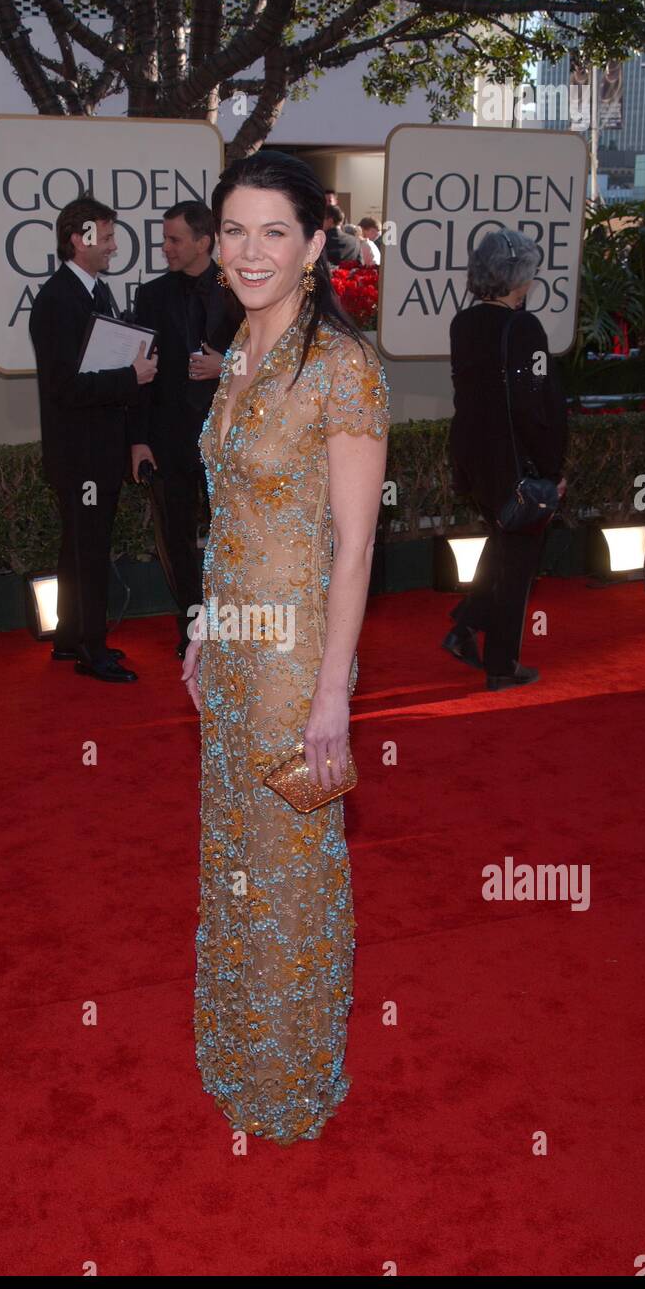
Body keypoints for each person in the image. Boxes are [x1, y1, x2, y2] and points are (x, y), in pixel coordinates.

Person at [183, 149, 390, 1143]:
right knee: (235, 860)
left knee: (293, 870)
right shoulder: (237, 350)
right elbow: (227, 514)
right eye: (234, 230)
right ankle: (235, 1045)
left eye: (274, 231)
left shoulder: (341, 368)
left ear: (314, 243)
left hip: (294, 665)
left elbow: (354, 547)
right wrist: (203, 629)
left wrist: (331, 696)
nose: (249, 250)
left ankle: (290, 1073)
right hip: (230, 655)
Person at [29, 196, 157, 683]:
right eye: (104, 238)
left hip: (94, 448)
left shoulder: (93, 293)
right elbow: (65, 387)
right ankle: (91, 649)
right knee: (89, 551)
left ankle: (69, 639)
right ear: (77, 240)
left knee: (77, 548)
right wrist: (131, 375)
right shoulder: (59, 300)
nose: (113, 246)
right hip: (79, 453)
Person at [444, 229, 568, 691]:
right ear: (518, 276)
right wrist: (552, 469)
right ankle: (502, 665)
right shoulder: (524, 328)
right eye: (531, 271)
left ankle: (465, 627)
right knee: (518, 562)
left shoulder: (464, 323)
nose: (533, 280)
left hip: (475, 456)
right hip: (517, 462)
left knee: (503, 543)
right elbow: (536, 406)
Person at [129, 201, 242, 656]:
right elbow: (140, 373)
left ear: (203, 241)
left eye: (174, 239)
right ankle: (194, 628)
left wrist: (229, 364)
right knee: (177, 540)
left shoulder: (240, 288)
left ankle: (232, 626)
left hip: (229, 437)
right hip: (169, 438)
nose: (166, 248)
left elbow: (275, 359)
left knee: (232, 536)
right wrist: (138, 439)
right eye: (165, 239)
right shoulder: (151, 296)